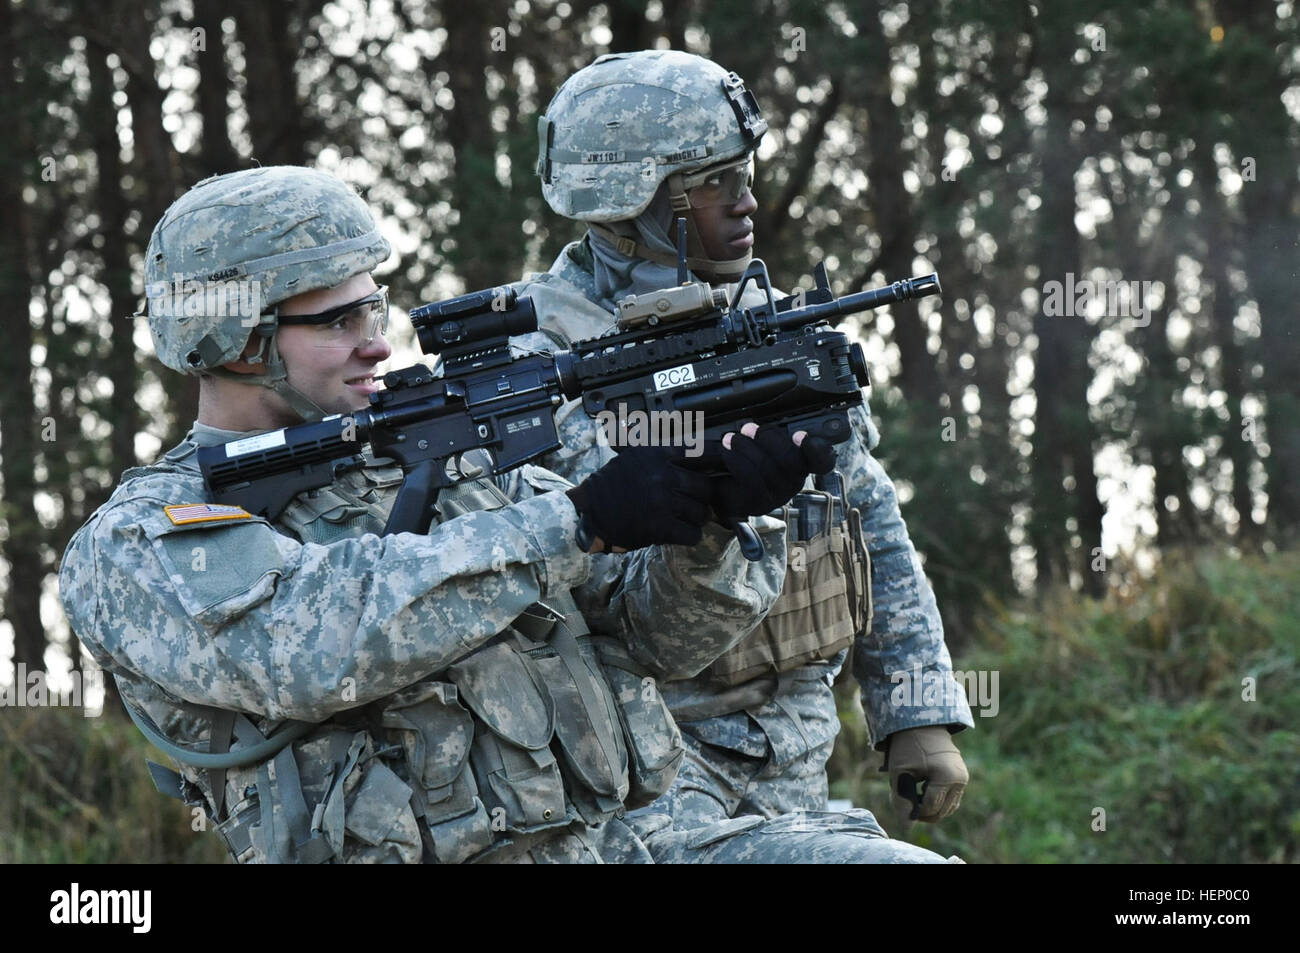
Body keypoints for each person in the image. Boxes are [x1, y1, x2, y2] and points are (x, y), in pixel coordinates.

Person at [57, 164, 831, 864]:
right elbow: (315, 647)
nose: (378, 344)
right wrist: (580, 519)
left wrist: (707, 525)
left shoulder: (428, 462)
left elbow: (657, 640)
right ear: (240, 341)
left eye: (375, 311)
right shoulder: (138, 538)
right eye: (338, 322)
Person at [515, 50, 974, 861]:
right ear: (632, 203)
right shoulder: (538, 375)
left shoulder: (765, 326)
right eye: (715, 183)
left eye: (746, 173)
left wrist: (915, 707)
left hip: (793, 760)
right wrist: (715, 520)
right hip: (642, 786)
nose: (749, 200)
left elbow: (866, 515)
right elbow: (619, 624)